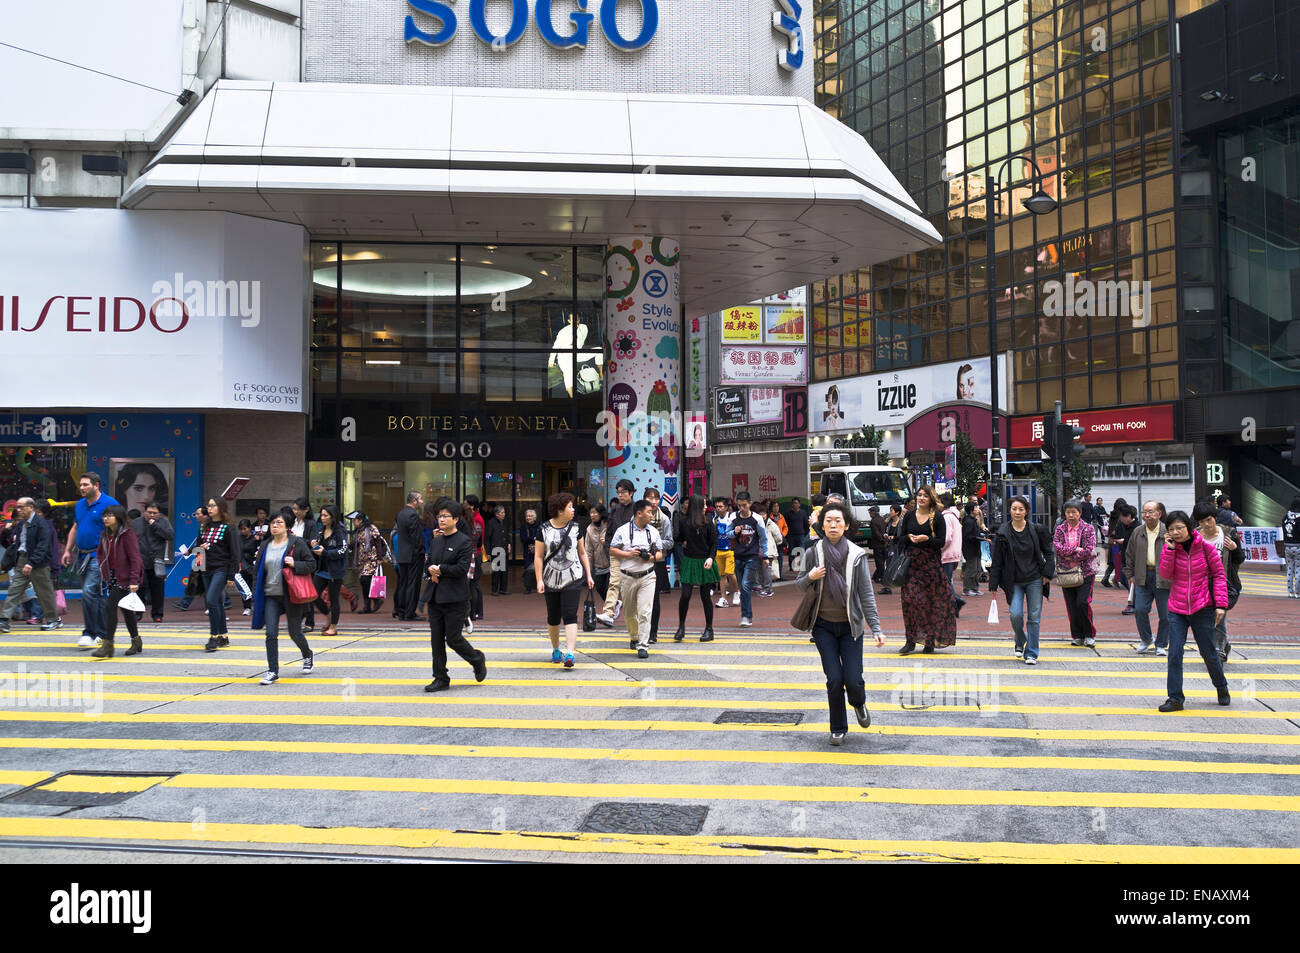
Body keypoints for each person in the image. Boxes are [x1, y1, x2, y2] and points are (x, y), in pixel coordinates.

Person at [797, 501, 885, 746]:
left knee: (853, 679)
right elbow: (799, 585)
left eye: (838, 521)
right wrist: (811, 576)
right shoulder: (813, 553)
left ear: (846, 526)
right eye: (828, 521)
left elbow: (866, 594)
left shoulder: (857, 556)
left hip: (850, 627)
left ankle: (858, 702)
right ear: (822, 525)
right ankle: (838, 728)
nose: (833, 525)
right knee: (835, 679)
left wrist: (876, 627)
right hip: (823, 626)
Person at [1156, 511, 1231, 712]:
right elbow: (1165, 574)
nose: (1175, 532)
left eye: (1179, 528)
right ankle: (1175, 698)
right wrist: (1169, 550)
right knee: (1175, 653)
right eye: (1171, 529)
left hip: (1202, 608)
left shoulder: (1206, 549)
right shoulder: (1170, 548)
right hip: (1177, 609)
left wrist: (1221, 605)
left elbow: (1219, 576)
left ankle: (1221, 686)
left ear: (1189, 527)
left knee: (1209, 653)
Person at [423, 497, 488, 692]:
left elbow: (461, 569)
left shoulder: (464, 541)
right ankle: (440, 677)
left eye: (445, 516)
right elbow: (427, 563)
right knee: (436, 640)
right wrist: (430, 570)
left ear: (456, 519)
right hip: (435, 597)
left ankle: (476, 659)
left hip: (456, 598)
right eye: (439, 516)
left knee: (453, 639)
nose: (441, 520)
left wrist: (439, 569)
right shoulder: (436, 540)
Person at [250, 512, 317, 686]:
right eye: (272, 522)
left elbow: (312, 564)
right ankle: (273, 671)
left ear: (287, 526)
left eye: (279, 522)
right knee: (271, 633)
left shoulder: (297, 544)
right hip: (270, 595)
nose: (275, 525)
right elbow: (258, 572)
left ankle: (307, 654)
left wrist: (296, 564)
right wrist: (255, 594)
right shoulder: (265, 545)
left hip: (290, 595)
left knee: (294, 632)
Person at [988, 496, 1054, 664]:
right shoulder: (1003, 532)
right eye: (1014, 509)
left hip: (1035, 579)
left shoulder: (1036, 530)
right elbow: (997, 561)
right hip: (1014, 581)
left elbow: (1049, 552)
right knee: (1015, 614)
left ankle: (1031, 653)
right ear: (1009, 510)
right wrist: (993, 584)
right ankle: (1019, 639)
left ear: (1026, 512)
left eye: (1021, 509)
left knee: (1034, 617)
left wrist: (1047, 573)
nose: (1017, 512)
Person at [535, 492, 594, 669]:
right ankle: (555, 649)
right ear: (560, 510)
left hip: (573, 577)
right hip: (550, 579)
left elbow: (582, 552)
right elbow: (538, 557)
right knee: (553, 617)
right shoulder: (543, 529)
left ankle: (570, 653)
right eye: (570, 506)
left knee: (570, 615)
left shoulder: (576, 528)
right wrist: (539, 580)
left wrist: (589, 574)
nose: (573, 509)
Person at [61, 472, 118, 650]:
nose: (82, 488)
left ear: (96, 485)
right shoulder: (79, 505)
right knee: (97, 596)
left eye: (86, 484)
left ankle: (90, 633)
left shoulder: (109, 504)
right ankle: (101, 633)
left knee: (88, 593)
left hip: (100, 556)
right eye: (81, 485)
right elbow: (75, 527)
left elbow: (119, 528)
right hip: (82, 556)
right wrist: (67, 550)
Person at [899, 485, 957, 655]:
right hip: (911, 565)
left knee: (930, 604)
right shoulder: (909, 515)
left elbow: (941, 542)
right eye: (919, 495)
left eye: (925, 495)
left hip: (931, 566)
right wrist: (908, 538)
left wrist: (927, 539)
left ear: (931, 499)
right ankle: (910, 640)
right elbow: (900, 538)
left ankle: (929, 641)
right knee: (909, 601)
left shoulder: (938, 517)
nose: (921, 498)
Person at [610, 499, 665, 656]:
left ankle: (643, 645)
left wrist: (650, 558)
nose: (651, 515)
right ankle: (634, 636)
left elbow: (660, 553)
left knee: (645, 611)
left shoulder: (653, 532)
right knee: (629, 612)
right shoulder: (622, 530)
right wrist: (629, 554)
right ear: (639, 513)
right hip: (627, 576)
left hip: (647, 576)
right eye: (649, 512)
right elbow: (612, 550)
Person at [0, 497, 61, 632]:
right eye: (18, 507)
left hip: (38, 563)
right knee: (15, 589)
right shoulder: (22, 523)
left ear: (31, 507)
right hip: (22, 560)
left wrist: (31, 563)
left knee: (43, 592)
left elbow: (43, 546)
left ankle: (53, 619)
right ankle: (4, 620)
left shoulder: (42, 524)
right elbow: (17, 541)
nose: (19, 509)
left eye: (22, 507)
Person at [89, 505, 143, 658]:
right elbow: (100, 554)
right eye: (104, 515)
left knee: (110, 607)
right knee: (126, 610)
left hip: (125, 577)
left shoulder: (127, 535)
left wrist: (134, 580)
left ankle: (108, 645)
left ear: (118, 517)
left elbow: (135, 559)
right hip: (112, 576)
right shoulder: (105, 535)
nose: (106, 518)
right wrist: (103, 569)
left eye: (110, 515)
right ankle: (136, 640)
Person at [1193, 501, 1243, 665]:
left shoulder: (1228, 534)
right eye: (1201, 522)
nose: (1206, 525)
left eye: (1209, 520)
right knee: (1207, 619)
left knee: (1218, 616)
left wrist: (1235, 548)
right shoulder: (1195, 536)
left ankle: (1219, 650)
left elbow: (1240, 559)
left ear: (1215, 518)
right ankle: (1224, 644)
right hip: (1201, 584)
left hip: (1223, 584)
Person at [1123, 501, 1171, 655]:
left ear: (1159, 514)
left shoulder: (1167, 531)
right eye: (1144, 512)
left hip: (1163, 577)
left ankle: (1161, 644)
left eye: (1150, 511)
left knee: (1166, 614)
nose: (1147, 515)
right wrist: (1130, 575)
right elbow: (1129, 554)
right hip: (1142, 576)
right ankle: (1146, 639)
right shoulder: (1138, 531)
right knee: (1140, 610)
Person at [197, 497, 241, 653]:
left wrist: (231, 575)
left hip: (221, 569)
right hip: (206, 569)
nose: (210, 508)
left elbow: (235, 553)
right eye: (208, 506)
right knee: (216, 603)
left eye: (213, 506)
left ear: (221, 508)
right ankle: (223, 636)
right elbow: (197, 548)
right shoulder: (204, 527)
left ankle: (213, 636)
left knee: (211, 600)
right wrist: (200, 549)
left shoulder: (228, 528)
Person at [1053, 499, 1098, 647]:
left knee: (1082, 603)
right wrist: (1074, 550)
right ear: (1064, 513)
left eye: (1074, 512)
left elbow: (1088, 550)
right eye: (1068, 512)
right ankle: (1077, 635)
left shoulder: (1088, 528)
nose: (1071, 515)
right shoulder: (1060, 529)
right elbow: (1057, 547)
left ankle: (1089, 634)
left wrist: (1069, 555)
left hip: (1086, 572)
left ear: (1080, 513)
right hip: (1067, 573)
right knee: (1071, 605)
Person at [675, 494, 719, 642]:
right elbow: (679, 538)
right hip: (689, 561)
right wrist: (684, 541)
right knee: (685, 595)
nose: (706, 507)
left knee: (705, 596)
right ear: (697, 506)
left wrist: (710, 558)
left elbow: (714, 543)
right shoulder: (683, 522)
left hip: (704, 561)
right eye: (704, 505)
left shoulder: (708, 523)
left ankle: (709, 629)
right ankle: (681, 627)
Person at [596, 479, 636, 625]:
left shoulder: (637, 509)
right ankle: (608, 613)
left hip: (633, 555)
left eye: (623, 492)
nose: (620, 495)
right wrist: (609, 549)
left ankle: (631, 615)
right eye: (619, 492)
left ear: (631, 493)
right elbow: (609, 531)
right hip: (616, 552)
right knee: (613, 583)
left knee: (630, 587)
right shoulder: (614, 510)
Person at [730, 492, 769, 628]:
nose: (741, 508)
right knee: (742, 587)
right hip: (738, 555)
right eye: (739, 505)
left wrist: (765, 556)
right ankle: (746, 615)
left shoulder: (757, 519)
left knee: (746, 585)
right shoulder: (733, 517)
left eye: (744, 505)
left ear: (750, 504)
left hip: (752, 556)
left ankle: (746, 616)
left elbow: (763, 538)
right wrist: (734, 531)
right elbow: (727, 533)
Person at [130, 503, 174, 623]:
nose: (152, 515)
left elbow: (170, 535)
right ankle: (138, 612)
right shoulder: (135, 523)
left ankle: (157, 614)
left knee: (158, 588)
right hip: (140, 560)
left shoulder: (163, 522)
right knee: (140, 587)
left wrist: (155, 526)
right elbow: (129, 540)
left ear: (158, 514)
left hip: (157, 560)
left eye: (155, 513)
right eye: (149, 512)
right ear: (144, 512)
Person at [308, 504, 348, 637]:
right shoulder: (321, 531)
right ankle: (328, 617)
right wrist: (315, 546)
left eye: (326, 515)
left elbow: (342, 551)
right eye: (322, 515)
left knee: (334, 599)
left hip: (335, 571)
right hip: (321, 570)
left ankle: (333, 626)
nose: (322, 518)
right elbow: (320, 550)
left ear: (333, 517)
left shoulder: (340, 532)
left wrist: (324, 553)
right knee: (313, 594)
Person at [643, 487, 675, 643]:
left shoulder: (664, 519)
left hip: (658, 562)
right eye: (650, 498)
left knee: (654, 599)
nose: (654, 501)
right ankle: (641, 631)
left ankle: (653, 632)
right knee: (640, 600)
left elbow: (670, 542)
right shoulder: (638, 517)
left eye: (656, 498)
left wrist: (654, 543)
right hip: (640, 562)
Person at [394, 491, 425, 621]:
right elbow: (416, 537)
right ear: (414, 500)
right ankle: (409, 612)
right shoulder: (412, 515)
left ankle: (401, 611)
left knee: (403, 583)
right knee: (413, 584)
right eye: (420, 499)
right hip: (413, 554)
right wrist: (422, 551)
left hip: (402, 553)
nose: (422, 502)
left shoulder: (400, 514)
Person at [349, 512, 389, 614]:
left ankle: (375, 601)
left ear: (361, 520)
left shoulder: (371, 528)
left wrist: (379, 557)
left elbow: (378, 542)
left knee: (365, 579)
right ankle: (369, 605)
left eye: (355, 520)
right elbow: (356, 544)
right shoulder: (359, 531)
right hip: (363, 560)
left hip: (372, 558)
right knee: (365, 582)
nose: (354, 522)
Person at [939, 493, 965, 616]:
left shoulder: (946, 517)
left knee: (945, 581)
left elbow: (947, 538)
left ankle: (955, 602)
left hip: (947, 553)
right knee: (946, 580)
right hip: (953, 553)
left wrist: (939, 547)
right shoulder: (954, 516)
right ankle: (954, 602)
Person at [711, 497, 738, 609]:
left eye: (721, 506)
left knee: (730, 573)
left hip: (730, 550)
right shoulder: (715, 520)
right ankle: (723, 598)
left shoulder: (732, 518)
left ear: (726, 507)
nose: (718, 509)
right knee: (721, 575)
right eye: (717, 507)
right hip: (719, 550)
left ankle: (737, 592)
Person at [1100, 497, 1129, 588]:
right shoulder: (1122, 516)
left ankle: (1108, 578)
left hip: (1113, 541)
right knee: (1118, 561)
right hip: (1118, 541)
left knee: (1114, 561)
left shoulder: (1112, 515)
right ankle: (1114, 579)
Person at [585, 503, 611, 602]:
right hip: (598, 565)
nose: (592, 515)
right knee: (599, 589)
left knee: (608, 588)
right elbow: (588, 551)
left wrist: (607, 542)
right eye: (591, 513)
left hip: (610, 564)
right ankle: (613, 604)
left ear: (601, 513)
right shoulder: (589, 529)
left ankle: (610, 610)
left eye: (595, 513)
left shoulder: (609, 524)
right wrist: (589, 572)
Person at [960, 500, 985, 596]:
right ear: (971, 510)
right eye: (976, 508)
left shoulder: (973, 520)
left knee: (977, 569)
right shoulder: (968, 521)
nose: (978, 510)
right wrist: (978, 538)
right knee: (971, 569)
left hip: (976, 548)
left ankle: (974, 588)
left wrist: (981, 537)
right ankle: (967, 589)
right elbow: (967, 536)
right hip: (970, 549)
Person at [236, 519, 260, 616]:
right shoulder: (238, 539)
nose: (243, 531)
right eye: (241, 529)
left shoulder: (255, 538)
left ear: (250, 528)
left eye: (245, 529)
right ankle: (247, 607)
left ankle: (255, 605)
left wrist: (257, 541)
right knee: (244, 586)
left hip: (252, 565)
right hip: (242, 566)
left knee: (254, 586)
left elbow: (259, 550)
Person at [879, 503, 903, 595]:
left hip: (898, 547)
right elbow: (885, 531)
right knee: (888, 565)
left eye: (891, 511)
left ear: (897, 512)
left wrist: (894, 538)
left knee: (896, 565)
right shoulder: (888, 522)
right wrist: (886, 535)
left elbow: (903, 535)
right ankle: (887, 586)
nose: (890, 512)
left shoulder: (902, 522)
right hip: (890, 547)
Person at [485, 505, 510, 595]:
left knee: (504, 571)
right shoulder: (491, 523)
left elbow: (507, 534)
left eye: (504, 512)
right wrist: (488, 552)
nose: (504, 514)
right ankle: (494, 590)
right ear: (497, 514)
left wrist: (509, 543)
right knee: (496, 571)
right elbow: (487, 538)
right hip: (495, 549)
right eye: (502, 513)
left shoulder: (505, 522)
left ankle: (503, 589)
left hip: (504, 548)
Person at [762, 502, 784, 595]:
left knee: (766, 571)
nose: (761, 516)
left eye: (763, 514)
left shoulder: (771, 524)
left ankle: (768, 589)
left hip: (769, 551)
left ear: (767, 514)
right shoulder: (758, 524)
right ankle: (765, 588)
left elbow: (779, 538)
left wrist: (775, 544)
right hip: (760, 551)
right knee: (762, 571)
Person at [519, 508, 542, 593]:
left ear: (534, 517)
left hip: (538, 550)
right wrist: (533, 538)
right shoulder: (523, 527)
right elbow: (523, 538)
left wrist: (533, 539)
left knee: (539, 568)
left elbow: (542, 537)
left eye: (530, 516)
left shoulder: (540, 526)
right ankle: (528, 588)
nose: (528, 518)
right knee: (527, 569)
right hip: (527, 551)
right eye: (527, 516)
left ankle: (538, 585)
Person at [786, 498, 810, 571]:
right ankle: (792, 566)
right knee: (791, 551)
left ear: (799, 505)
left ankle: (801, 566)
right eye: (793, 503)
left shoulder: (803, 513)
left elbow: (806, 524)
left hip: (801, 535)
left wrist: (805, 533)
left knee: (801, 551)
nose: (795, 504)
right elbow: (786, 524)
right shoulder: (788, 513)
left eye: (796, 503)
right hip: (791, 535)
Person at [1285, 496, 1300, 598]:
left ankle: (1290, 591)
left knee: (1290, 568)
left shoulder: (1286, 517)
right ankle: (1298, 592)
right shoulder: (1299, 518)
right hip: (1298, 546)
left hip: (1287, 546)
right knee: (1298, 569)